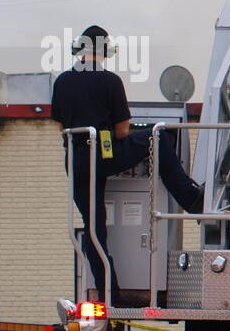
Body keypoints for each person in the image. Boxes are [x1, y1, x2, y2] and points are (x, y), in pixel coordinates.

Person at [51, 25, 203, 301]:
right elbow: (122, 132)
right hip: (105, 155)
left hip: (76, 162)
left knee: (93, 228)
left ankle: (111, 291)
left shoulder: (62, 81)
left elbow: (61, 125)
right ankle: (191, 198)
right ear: (105, 50)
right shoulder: (110, 81)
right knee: (159, 137)